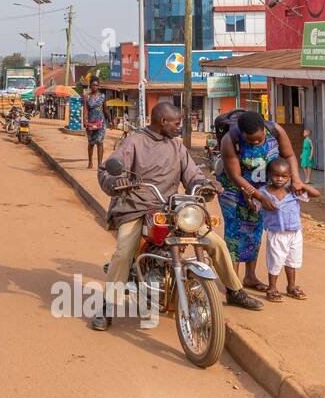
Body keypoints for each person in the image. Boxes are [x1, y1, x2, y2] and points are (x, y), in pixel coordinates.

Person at [92, 101, 264, 331]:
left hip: (170, 209)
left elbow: (192, 174)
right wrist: (117, 181)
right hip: (137, 207)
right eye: (177, 123)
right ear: (163, 122)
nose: (179, 128)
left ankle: (234, 290)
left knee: (215, 242)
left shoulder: (177, 146)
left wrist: (205, 184)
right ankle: (107, 306)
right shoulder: (135, 141)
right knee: (123, 251)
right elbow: (106, 170)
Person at [217, 110, 311, 291]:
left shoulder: (275, 130)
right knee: (235, 233)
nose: (256, 143)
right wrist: (256, 195)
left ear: (264, 129)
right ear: (242, 133)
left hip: (264, 188)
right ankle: (233, 283)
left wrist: (296, 179)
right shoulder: (230, 140)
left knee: (255, 229)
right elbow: (234, 175)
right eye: (250, 140)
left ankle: (250, 276)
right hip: (234, 191)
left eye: (259, 139)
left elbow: (289, 155)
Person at [255, 159, 316, 302]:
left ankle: (291, 286)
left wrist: (301, 184)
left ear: (289, 176)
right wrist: (249, 197)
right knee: (275, 262)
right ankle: (272, 288)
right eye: (276, 175)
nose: (280, 179)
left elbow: (315, 193)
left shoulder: (294, 191)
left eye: (284, 176)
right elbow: (255, 207)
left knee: (292, 261)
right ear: (269, 175)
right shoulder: (263, 192)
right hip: (277, 234)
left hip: (295, 233)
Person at [82, 76, 106, 169]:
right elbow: (85, 109)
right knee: (91, 143)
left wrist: (110, 120)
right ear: (90, 85)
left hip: (101, 122)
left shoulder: (102, 96)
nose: (95, 87)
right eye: (93, 85)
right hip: (91, 122)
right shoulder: (87, 96)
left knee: (100, 142)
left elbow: (105, 110)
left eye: (96, 85)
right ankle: (90, 162)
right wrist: (84, 120)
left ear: (98, 86)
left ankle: (100, 164)